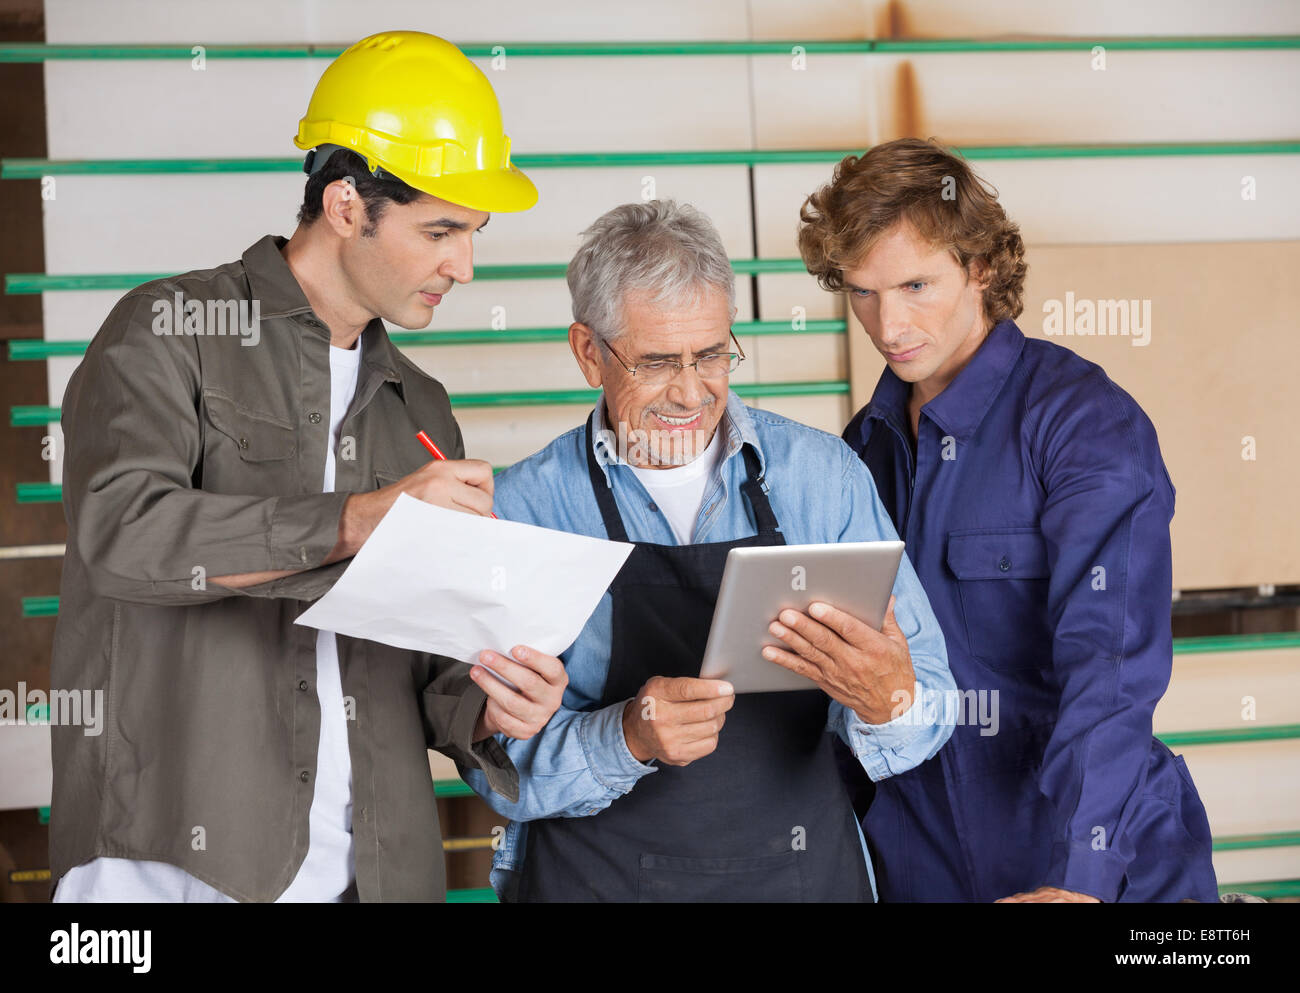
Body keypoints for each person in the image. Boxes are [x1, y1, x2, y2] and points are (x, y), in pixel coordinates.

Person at [50, 31, 567, 903]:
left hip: (373, 872)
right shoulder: (168, 331)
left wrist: (489, 702)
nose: (464, 265)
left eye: (472, 233)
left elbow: (423, 658)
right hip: (169, 864)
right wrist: (357, 518)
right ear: (343, 205)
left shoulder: (421, 407)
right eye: (440, 229)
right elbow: (124, 533)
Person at [460, 199, 957, 902]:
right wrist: (626, 736)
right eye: (658, 362)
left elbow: (932, 701)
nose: (692, 392)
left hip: (800, 879)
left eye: (713, 355)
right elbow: (498, 769)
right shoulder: (526, 509)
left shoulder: (822, 479)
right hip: (598, 883)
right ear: (588, 352)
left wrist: (887, 701)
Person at [798, 137, 1218, 902]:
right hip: (920, 860)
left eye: (916, 284)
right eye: (861, 291)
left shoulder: (1083, 424)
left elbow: (1112, 667)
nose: (888, 324)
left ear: (980, 267)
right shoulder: (861, 450)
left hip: (1088, 861)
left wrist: (1081, 880)